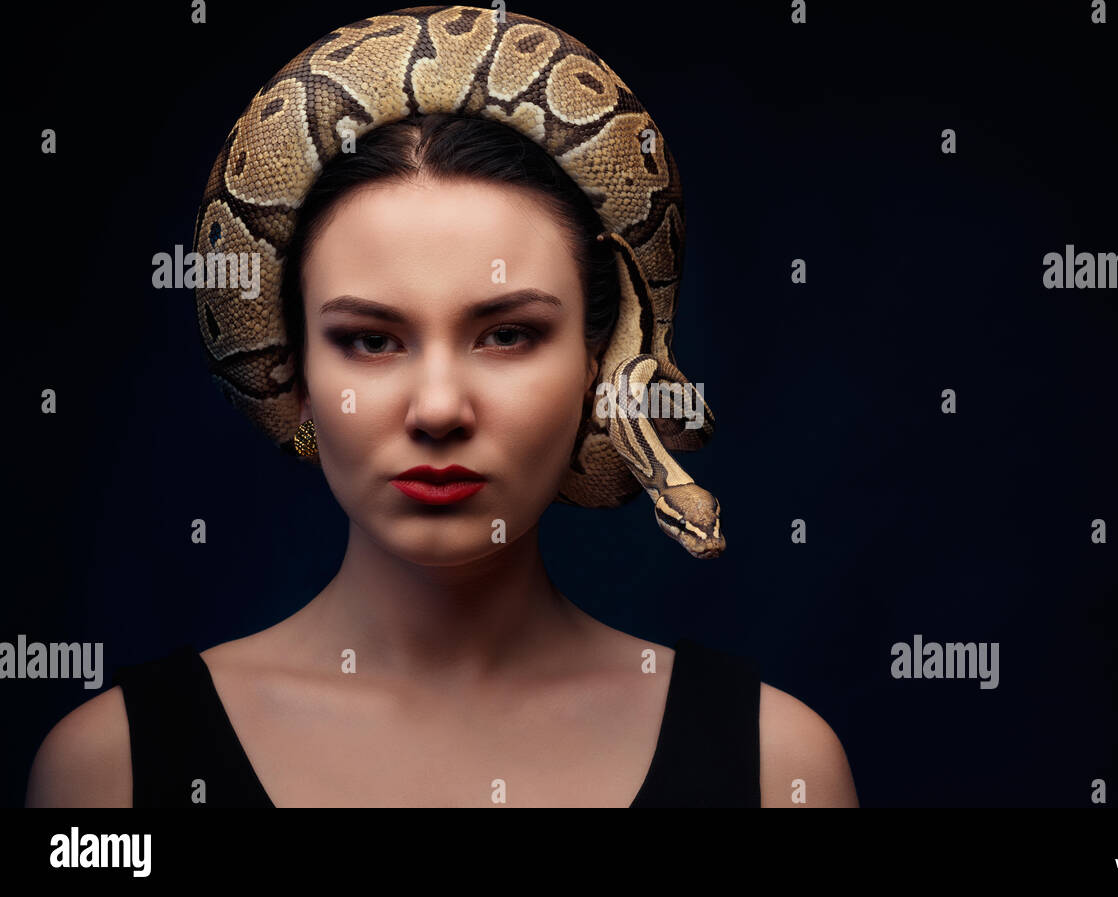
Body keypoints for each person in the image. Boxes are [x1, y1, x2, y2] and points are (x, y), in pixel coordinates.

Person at [26, 8, 858, 809]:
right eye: (371, 340)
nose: (437, 408)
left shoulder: (779, 769)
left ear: (597, 364)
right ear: (294, 370)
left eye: (506, 335)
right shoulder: (110, 772)